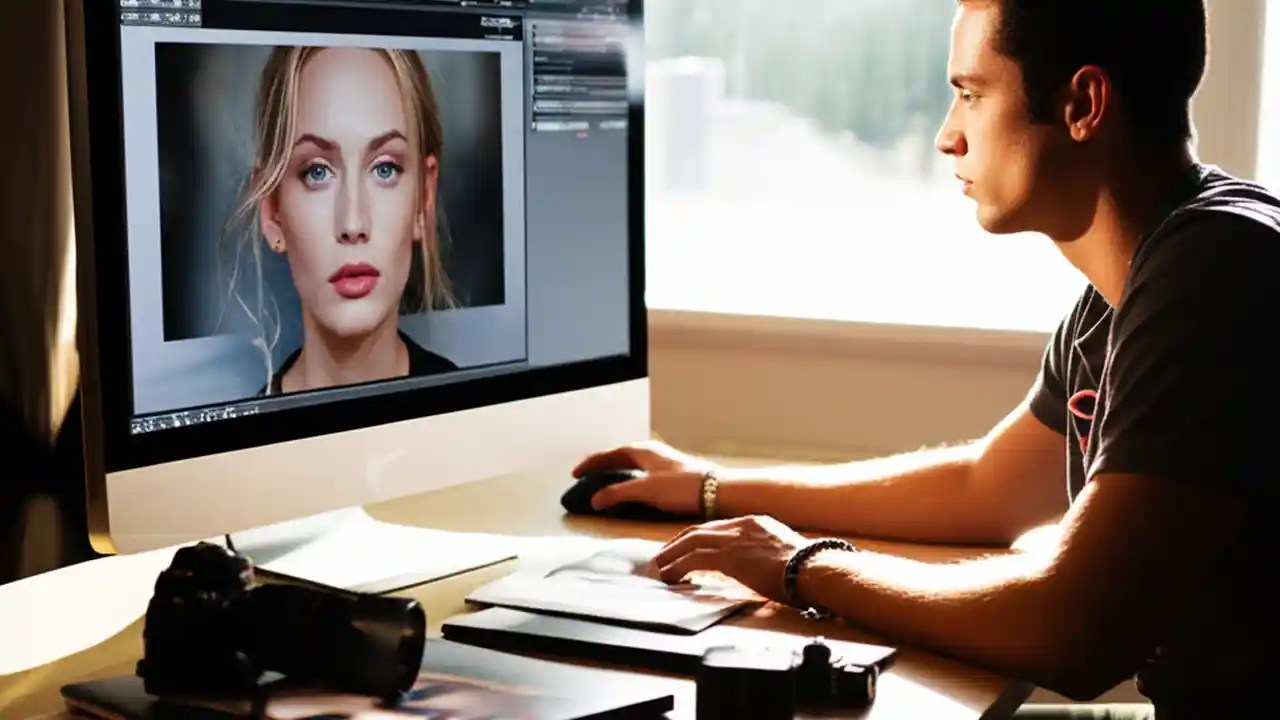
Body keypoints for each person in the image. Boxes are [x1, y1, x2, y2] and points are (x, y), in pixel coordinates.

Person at [573, 1, 1280, 718]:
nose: (948, 136)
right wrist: (711, 488)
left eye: (971, 94)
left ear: (1082, 104)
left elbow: (1072, 630)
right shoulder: (1138, 281)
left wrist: (800, 567)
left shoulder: (1215, 270)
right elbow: (988, 488)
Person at [220, 46, 459, 397]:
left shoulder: (480, 421)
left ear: (423, 199)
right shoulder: (234, 448)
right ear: (272, 212)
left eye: (385, 168)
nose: (352, 222)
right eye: (317, 172)